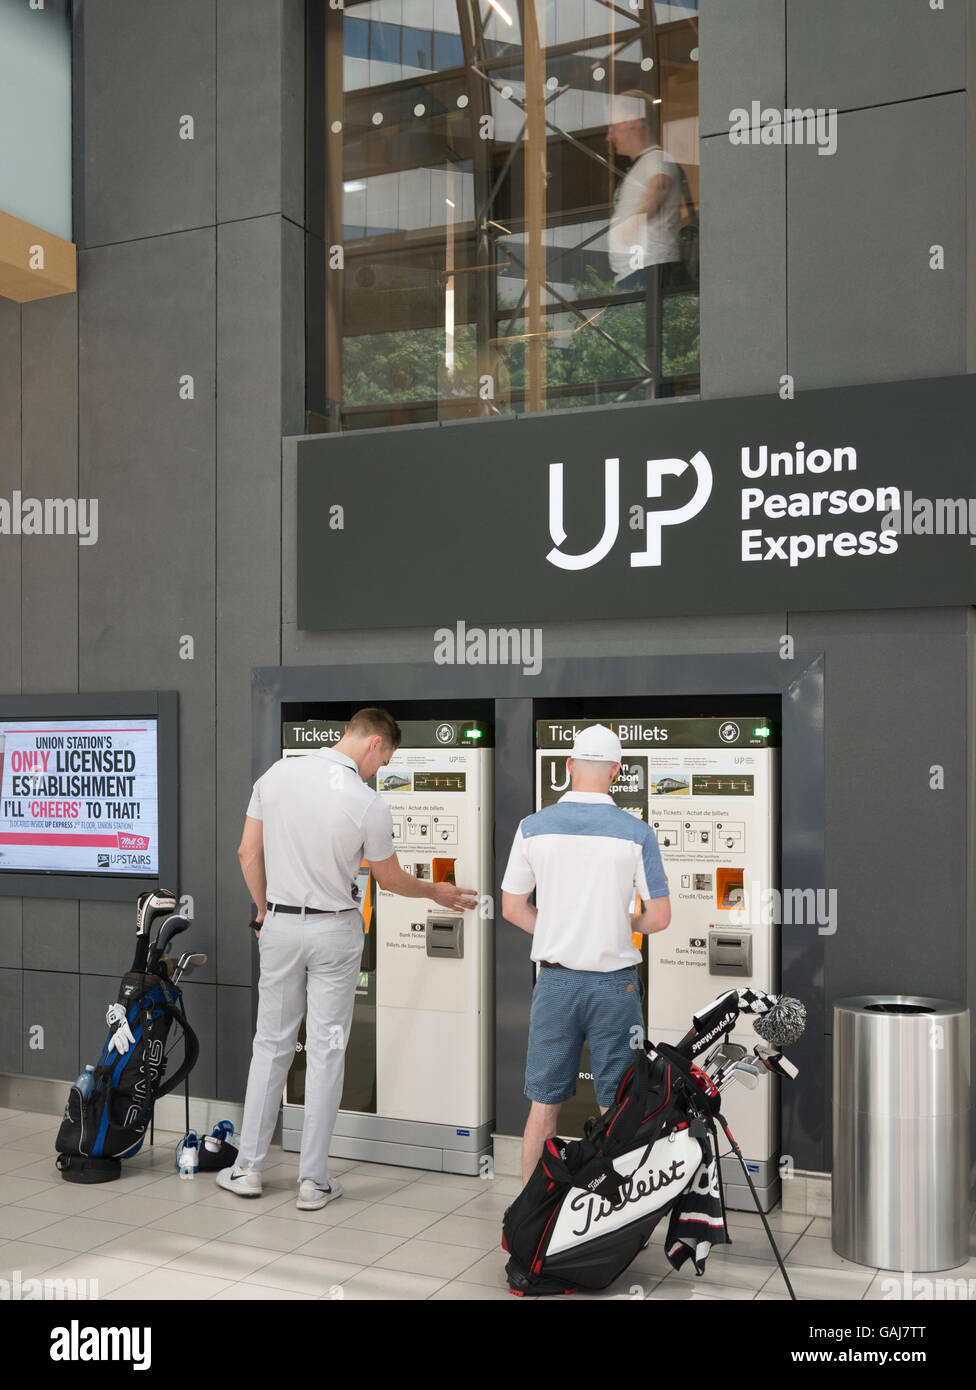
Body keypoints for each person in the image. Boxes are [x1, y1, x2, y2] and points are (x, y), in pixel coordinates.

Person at [219, 707, 477, 1209]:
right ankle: (312, 1182)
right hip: (335, 931)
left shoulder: (276, 774)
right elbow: (390, 880)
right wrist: (436, 892)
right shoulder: (367, 802)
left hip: (280, 924)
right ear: (375, 744)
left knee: (270, 1045)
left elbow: (247, 852)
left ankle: (248, 1169)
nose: (379, 771)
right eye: (385, 761)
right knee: (326, 1049)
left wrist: (263, 910)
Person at [501, 724, 671, 1186]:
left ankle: (529, 1215)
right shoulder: (637, 833)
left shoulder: (532, 828)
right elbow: (658, 918)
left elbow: (513, 908)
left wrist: (560, 928)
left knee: (543, 1106)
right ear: (616, 772)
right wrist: (617, 924)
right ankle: (611, 1214)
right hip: (615, 986)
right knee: (616, 1106)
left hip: (554, 984)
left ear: (570, 767)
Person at [606, 90, 683, 291]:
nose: (609, 136)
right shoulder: (644, 163)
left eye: (613, 127)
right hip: (638, 271)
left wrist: (637, 218)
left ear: (631, 122)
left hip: (648, 270)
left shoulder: (656, 158)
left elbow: (660, 186)